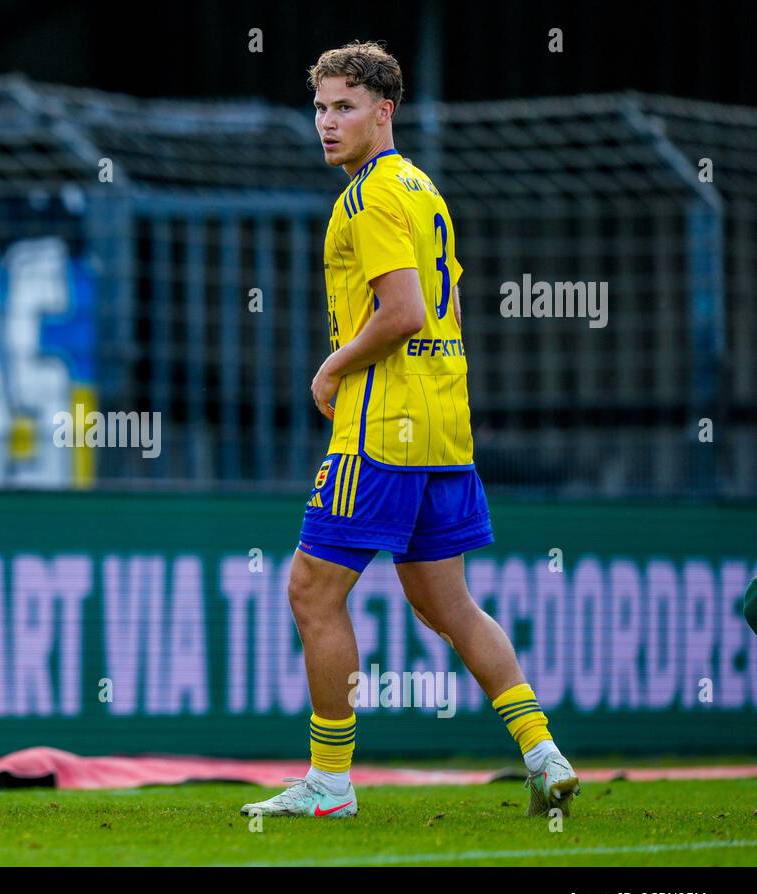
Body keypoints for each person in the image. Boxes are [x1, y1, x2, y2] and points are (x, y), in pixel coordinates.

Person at [241, 42, 579, 820]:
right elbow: (449, 309)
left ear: (382, 111)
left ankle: (329, 785)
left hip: (379, 430)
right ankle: (542, 751)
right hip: (441, 428)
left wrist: (332, 368)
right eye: (321, 108)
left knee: (311, 591)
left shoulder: (367, 199)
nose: (327, 124)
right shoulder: (424, 188)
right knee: (448, 605)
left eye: (344, 108)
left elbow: (404, 312)